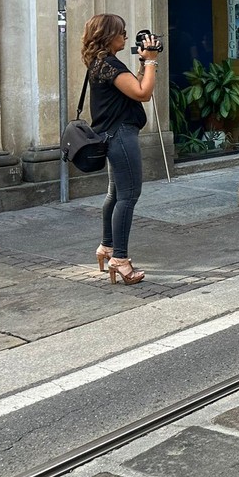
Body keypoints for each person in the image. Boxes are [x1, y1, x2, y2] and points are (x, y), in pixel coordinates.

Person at [82, 14, 159, 285]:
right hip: (120, 136)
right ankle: (121, 259)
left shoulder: (100, 62)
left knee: (115, 194)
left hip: (111, 134)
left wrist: (141, 64)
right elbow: (143, 93)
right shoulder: (109, 64)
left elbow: (131, 89)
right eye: (122, 32)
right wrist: (150, 60)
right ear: (108, 35)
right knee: (129, 195)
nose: (126, 37)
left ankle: (107, 247)